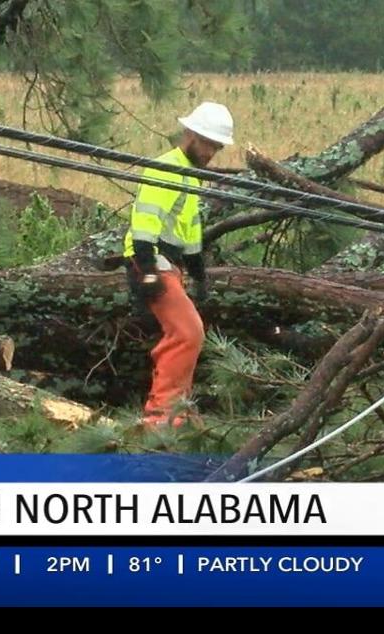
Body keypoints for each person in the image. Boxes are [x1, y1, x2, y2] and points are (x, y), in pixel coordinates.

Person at [123, 101, 234, 428]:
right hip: (151, 261)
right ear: (191, 135)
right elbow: (144, 224)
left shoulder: (190, 177)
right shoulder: (165, 168)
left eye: (217, 146)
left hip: (170, 264)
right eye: (209, 144)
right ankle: (161, 416)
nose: (212, 152)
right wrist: (149, 271)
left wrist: (199, 274)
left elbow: (191, 233)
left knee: (188, 332)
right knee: (188, 332)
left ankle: (178, 410)